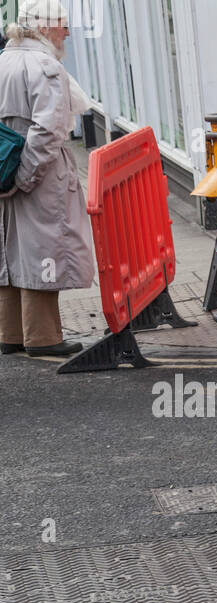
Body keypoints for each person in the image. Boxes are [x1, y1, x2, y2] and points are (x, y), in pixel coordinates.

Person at [0, 0, 94, 359]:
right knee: (45, 252)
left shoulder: (3, 60)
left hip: (4, 170)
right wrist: (25, 176)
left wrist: (9, 176)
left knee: (10, 250)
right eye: (62, 25)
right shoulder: (45, 67)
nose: (67, 32)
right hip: (37, 176)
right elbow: (49, 131)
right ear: (42, 27)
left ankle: (9, 333)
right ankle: (43, 338)